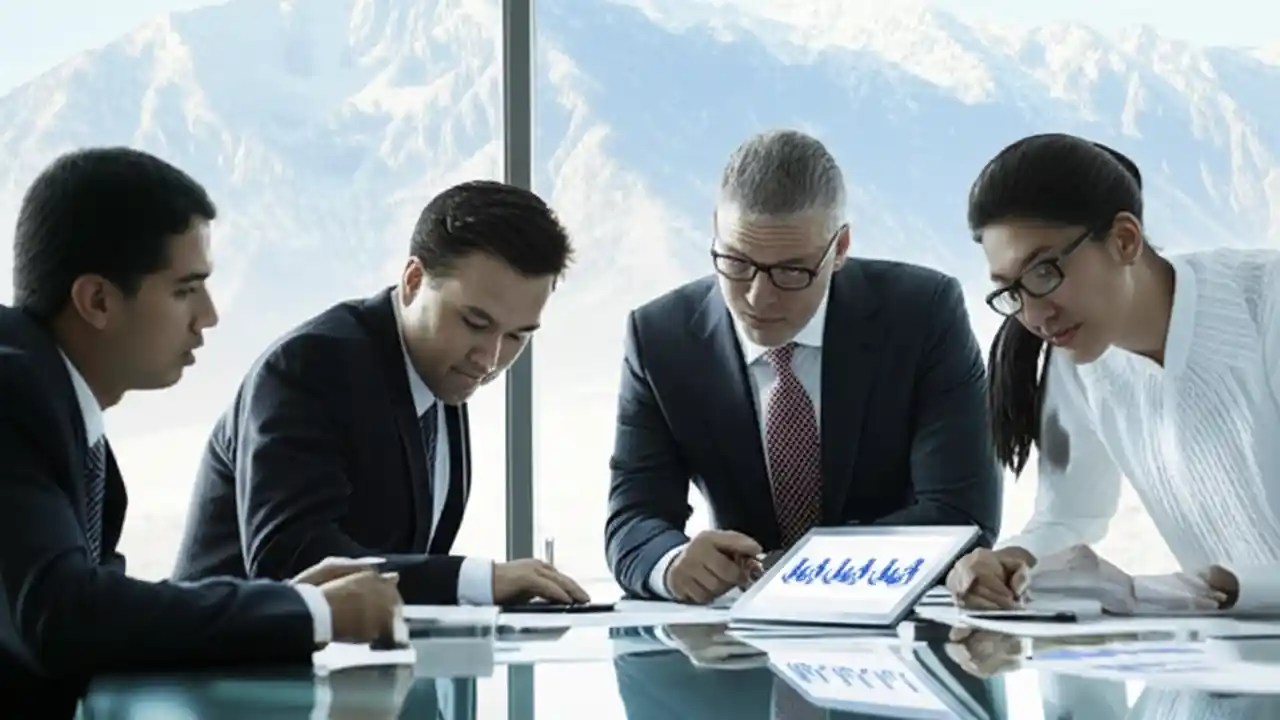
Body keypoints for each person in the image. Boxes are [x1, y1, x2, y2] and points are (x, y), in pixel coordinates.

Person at [0, 148, 402, 709]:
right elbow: (64, 616)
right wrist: (313, 614)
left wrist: (281, 602)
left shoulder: (58, 410)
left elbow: (106, 614)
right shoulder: (14, 396)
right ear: (97, 300)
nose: (209, 315)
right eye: (186, 289)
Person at [605, 129, 1002, 604]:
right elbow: (633, 520)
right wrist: (673, 566)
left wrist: (793, 568)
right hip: (737, 648)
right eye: (735, 262)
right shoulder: (662, 338)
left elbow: (961, 514)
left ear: (839, 249)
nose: (757, 297)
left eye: (791, 272)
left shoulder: (922, 314)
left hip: (895, 630)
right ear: (714, 229)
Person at [172, 180, 590, 607]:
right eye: (475, 323)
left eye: (518, 336)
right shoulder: (310, 365)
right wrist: (479, 580)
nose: (490, 359)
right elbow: (293, 558)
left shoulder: (440, 375)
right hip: (229, 665)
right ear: (412, 280)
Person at [945, 132, 1280, 613]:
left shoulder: (1266, 303)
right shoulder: (1080, 360)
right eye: (1013, 291)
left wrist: (1160, 591)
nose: (1036, 316)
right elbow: (1068, 514)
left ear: (1125, 239)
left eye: (1044, 272)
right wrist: (1005, 563)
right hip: (1232, 662)